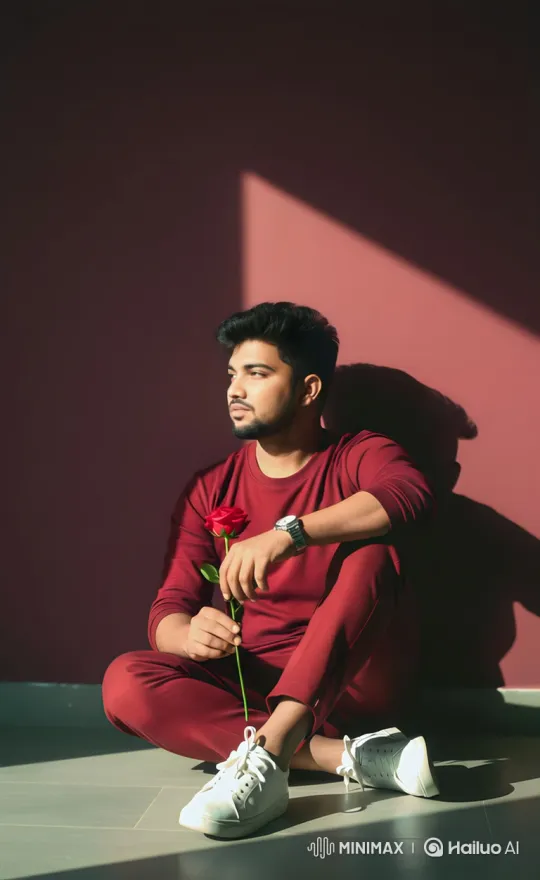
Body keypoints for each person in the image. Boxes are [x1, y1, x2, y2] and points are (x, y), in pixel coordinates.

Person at [102, 301, 440, 840]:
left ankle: (270, 753)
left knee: (374, 554)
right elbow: (169, 607)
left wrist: (289, 534)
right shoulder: (210, 487)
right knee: (125, 682)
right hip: (256, 683)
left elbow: (409, 495)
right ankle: (342, 757)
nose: (235, 390)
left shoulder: (357, 453)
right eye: (231, 374)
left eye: (257, 374)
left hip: (352, 681)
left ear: (308, 389)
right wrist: (188, 635)